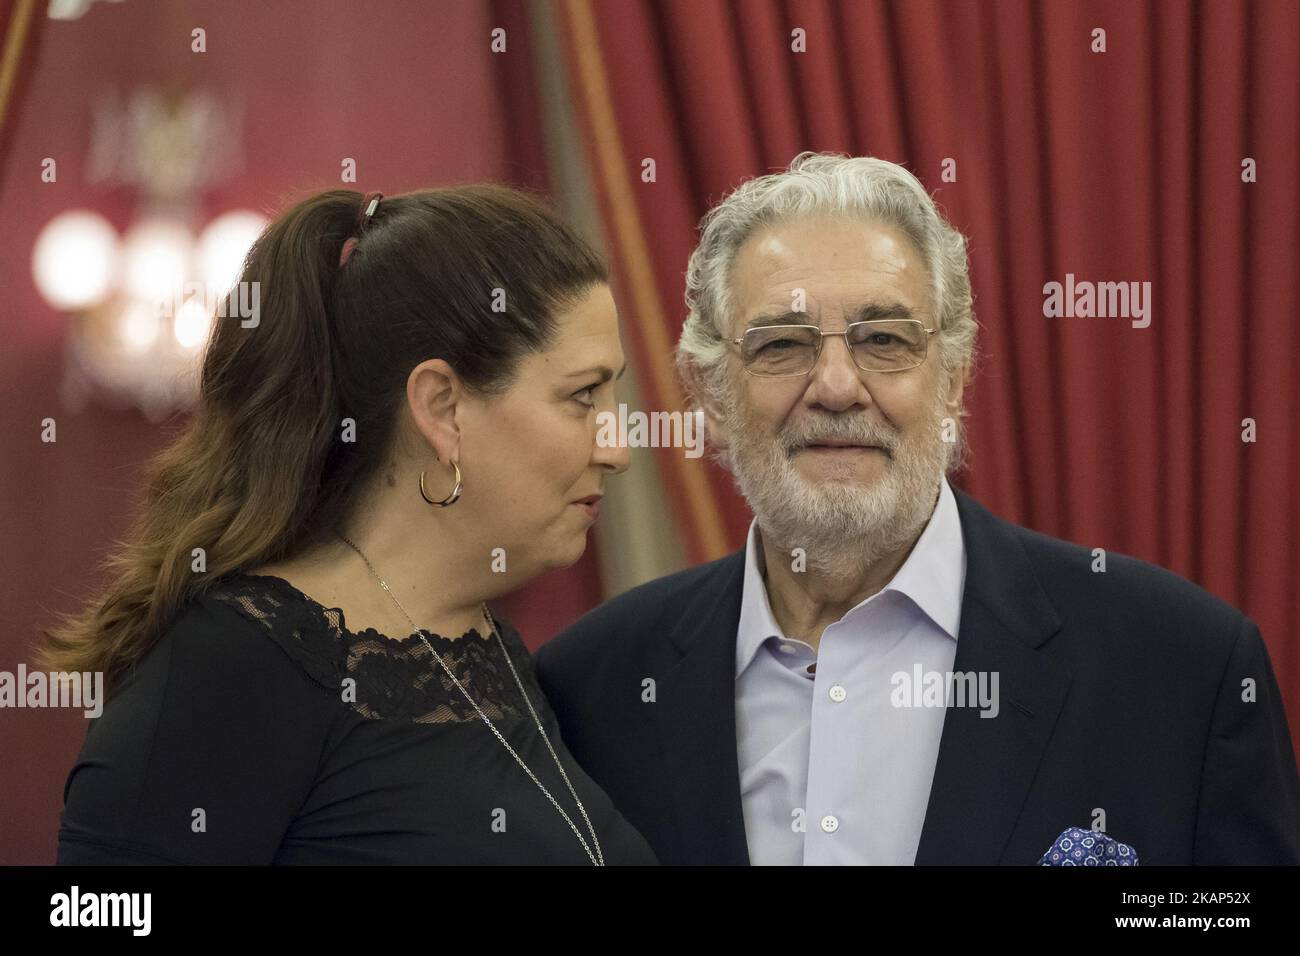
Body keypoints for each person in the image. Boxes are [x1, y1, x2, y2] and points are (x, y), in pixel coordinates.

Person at [533, 152, 1300, 865]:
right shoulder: (592, 689)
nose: (836, 386)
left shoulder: (1181, 671)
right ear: (710, 395)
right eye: (781, 345)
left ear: (955, 377)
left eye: (884, 339)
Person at [46, 185, 656, 865]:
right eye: (582, 395)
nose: (617, 446)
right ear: (443, 407)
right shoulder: (238, 663)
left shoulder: (483, 648)